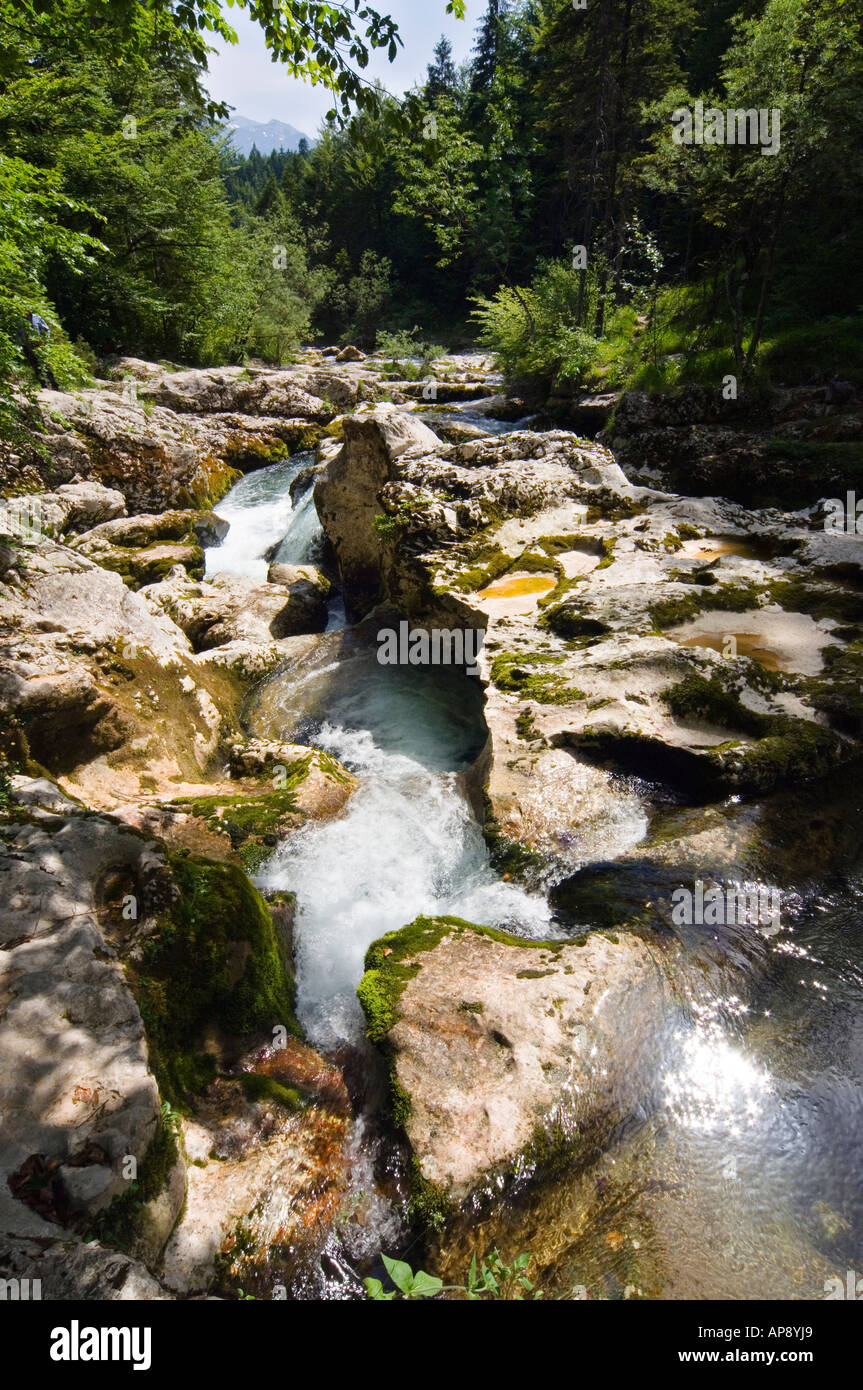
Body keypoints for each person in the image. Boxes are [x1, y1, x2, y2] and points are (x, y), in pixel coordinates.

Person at [22, 310, 57, 388]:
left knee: (45, 364)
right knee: (35, 365)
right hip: (27, 346)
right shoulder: (21, 320)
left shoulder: (37, 318)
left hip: (38, 344)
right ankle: (43, 384)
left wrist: (45, 340)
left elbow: (47, 329)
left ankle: (54, 384)